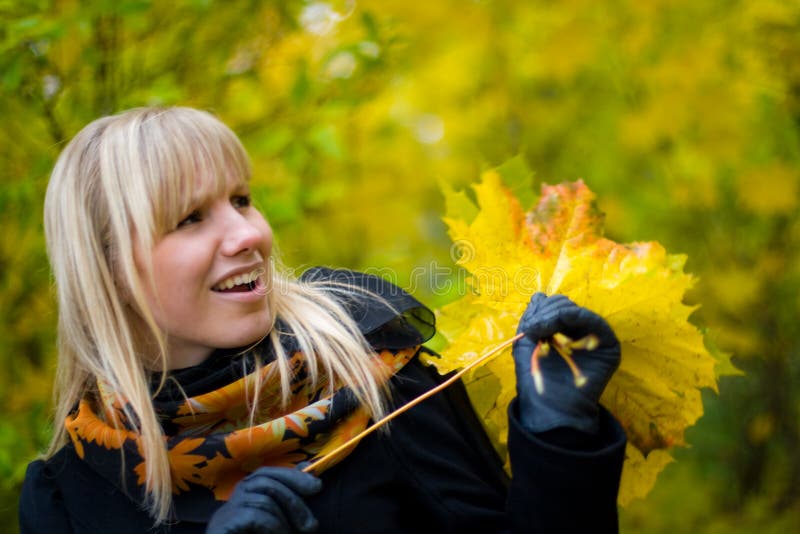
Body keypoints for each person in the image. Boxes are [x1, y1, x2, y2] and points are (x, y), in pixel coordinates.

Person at [19, 107, 626, 533]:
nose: (248, 234)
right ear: (109, 270)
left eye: (241, 199)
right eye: (190, 218)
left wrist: (558, 434)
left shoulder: (371, 371)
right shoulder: (68, 495)